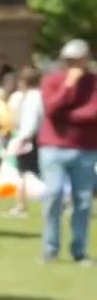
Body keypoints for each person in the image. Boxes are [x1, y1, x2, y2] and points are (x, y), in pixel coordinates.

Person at [37, 38, 97, 264]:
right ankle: (50, 249)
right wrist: (68, 86)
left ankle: (79, 250)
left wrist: (67, 116)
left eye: (77, 60)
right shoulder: (52, 81)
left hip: (85, 149)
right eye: (69, 60)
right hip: (53, 148)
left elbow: (93, 112)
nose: (72, 65)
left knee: (83, 201)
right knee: (52, 195)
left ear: (86, 60)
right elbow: (51, 109)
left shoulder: (94, 82)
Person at [5, 66, 43, 219]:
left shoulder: (32, 98)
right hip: (37, 137)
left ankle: (20, 206)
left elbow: (30, 121)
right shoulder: (38, 96)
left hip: (30, 138)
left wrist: (22, 138)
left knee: (23, 173)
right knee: (34, 172)